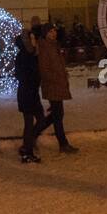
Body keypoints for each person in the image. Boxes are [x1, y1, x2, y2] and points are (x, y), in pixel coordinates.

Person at [35, 23, 78, 153]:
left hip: (57, 84)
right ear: (45, 33)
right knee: (57, 115)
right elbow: (44, 69)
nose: (54, 33)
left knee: (56, 115)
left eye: (54, 31)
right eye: (51, 31)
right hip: (52, 85)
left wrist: (63, 76)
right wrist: (57, 78)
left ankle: (33, 134)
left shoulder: (53, 45)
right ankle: (63, 144)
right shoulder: (44, 47)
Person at [15, 24, 46, 162]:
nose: (34, 40)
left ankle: (27, 145)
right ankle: (27, 151)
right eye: (32, 38)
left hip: (32, 92)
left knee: (40, 120)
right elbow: (21, 75)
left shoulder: (32, 53)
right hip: (27, 93)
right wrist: (33, 79)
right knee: (29, 122)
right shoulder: (23, 55)